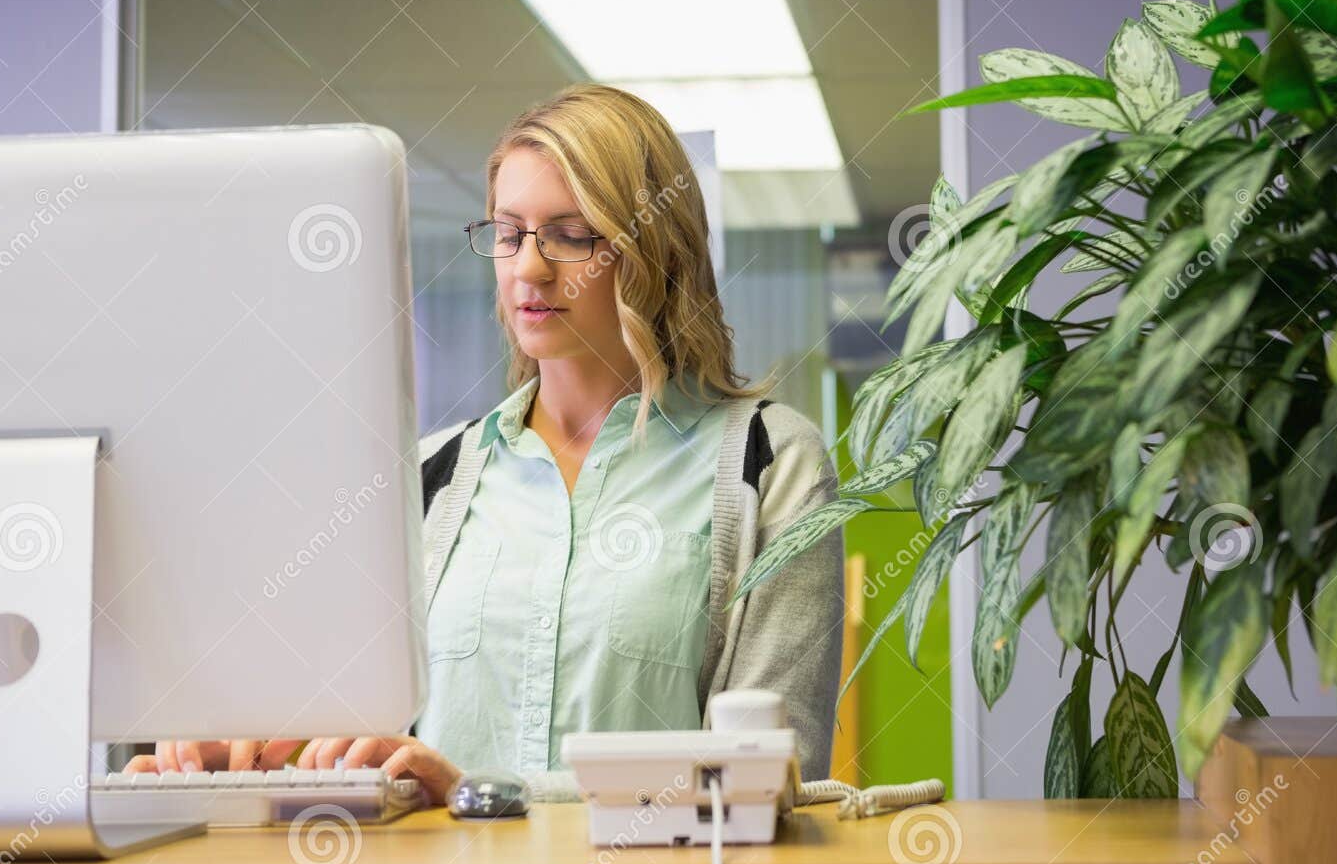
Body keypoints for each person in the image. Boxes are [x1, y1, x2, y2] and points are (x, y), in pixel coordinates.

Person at [128, 84, 845, 802]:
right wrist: (235, 746)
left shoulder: (770, 463)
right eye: (509, 234)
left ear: (654, 250)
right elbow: (338, 729)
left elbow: (769, 777)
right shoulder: (425, 477)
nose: (529, 269)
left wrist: (487, 792)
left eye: (571, 234)